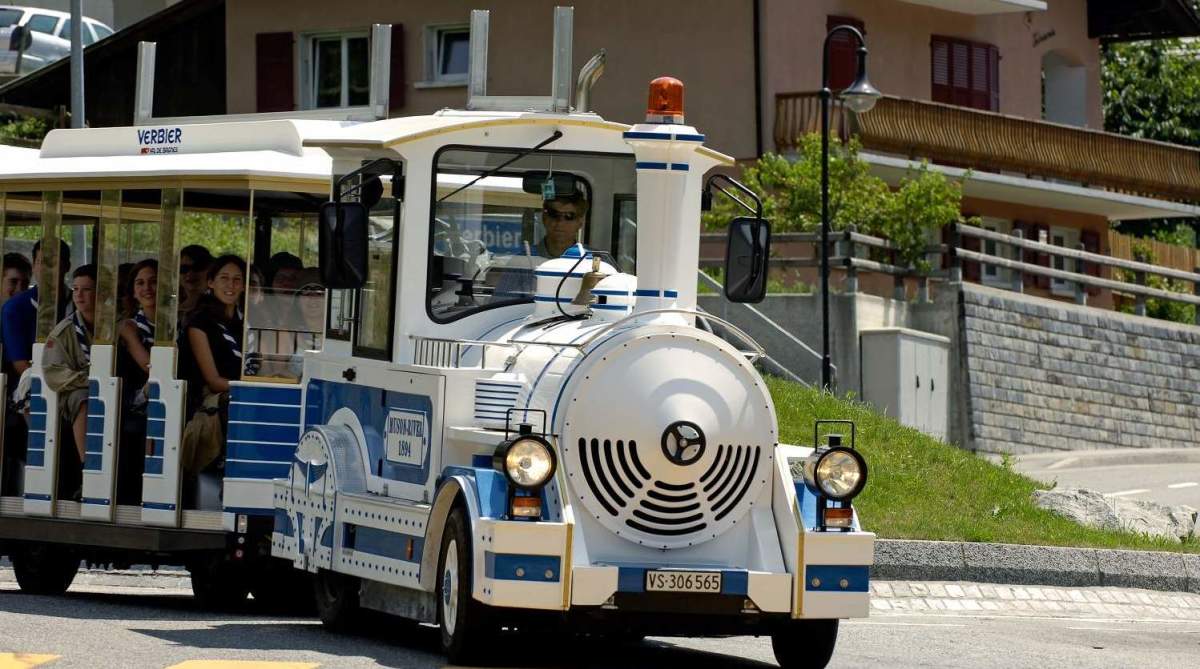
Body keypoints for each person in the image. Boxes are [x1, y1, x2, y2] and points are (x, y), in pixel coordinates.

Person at [41, 264, 96, 498]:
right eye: (75, 289)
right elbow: (54, 371)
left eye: (86, 289)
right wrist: (88, 381)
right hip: (78, 392)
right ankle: (89, 473)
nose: (79, 295)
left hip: (115, 390)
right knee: (81, 399)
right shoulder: (65, 330)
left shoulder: (118, 324)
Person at [180, 255, 245, 420]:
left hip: (245, 398)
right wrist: (252, 388)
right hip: (211, 409)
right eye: (224, 278)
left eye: (237, 279)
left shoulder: (246, 321)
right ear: (211, 282)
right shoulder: (199, 322)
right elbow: (213, 381)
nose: (231, 285)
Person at [1, 239, 71, 378]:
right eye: (40, 262)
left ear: (67, 266)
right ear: (34, 267)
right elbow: (21, 365)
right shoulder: (15, 307)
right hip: (34, 389)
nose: (46, 269)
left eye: (53, 262)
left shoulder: (79, 303)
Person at [178, 244, 213, 324]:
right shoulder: (171, 307)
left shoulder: (218, 307)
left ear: (209, 270)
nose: (190, 274)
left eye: (198, 267)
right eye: (184, 269)